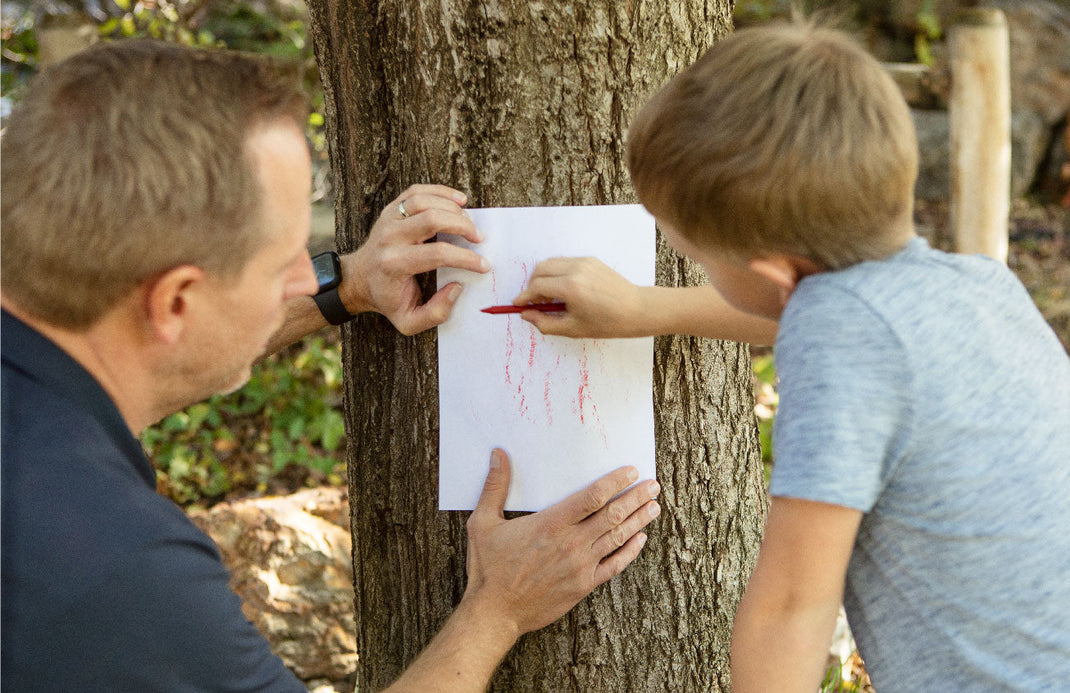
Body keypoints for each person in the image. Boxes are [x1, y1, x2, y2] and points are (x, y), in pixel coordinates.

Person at [0, 40, 661, 691]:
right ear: (175, 299)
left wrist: (347, 285)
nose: (302, 278)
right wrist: (495, 609)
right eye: (284, 260)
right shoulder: (123, 570)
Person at [512, 17, 1070, 692]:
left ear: (775, 272)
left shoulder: (839, 337)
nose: (694, 266)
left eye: (692, 254)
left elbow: (790, 609)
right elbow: (801, 311)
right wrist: (644, 308)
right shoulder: (975, 285)